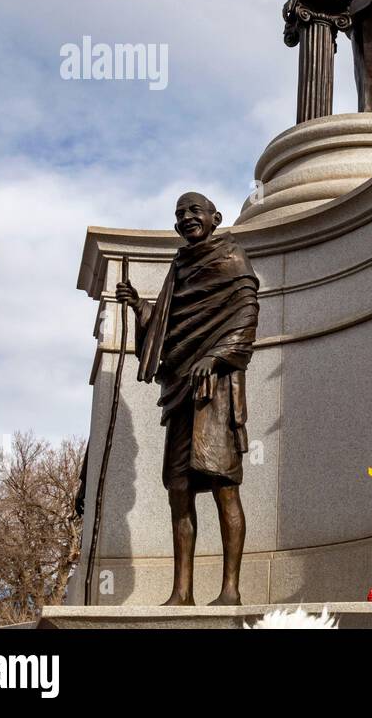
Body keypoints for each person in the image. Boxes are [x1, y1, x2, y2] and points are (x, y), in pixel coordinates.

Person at [116, 192, 259, 606]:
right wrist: (140, 306)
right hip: (179, 390)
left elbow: (247, 316)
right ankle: (182, 592)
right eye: (180, 214)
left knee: (224, 488)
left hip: (215, 392)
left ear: (215, 217)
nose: (186, 217)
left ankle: (230, 590)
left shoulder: (232, 257)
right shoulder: (179, 265)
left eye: (194, 211)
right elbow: (168, 322)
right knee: (178, 491)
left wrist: (215, 357)